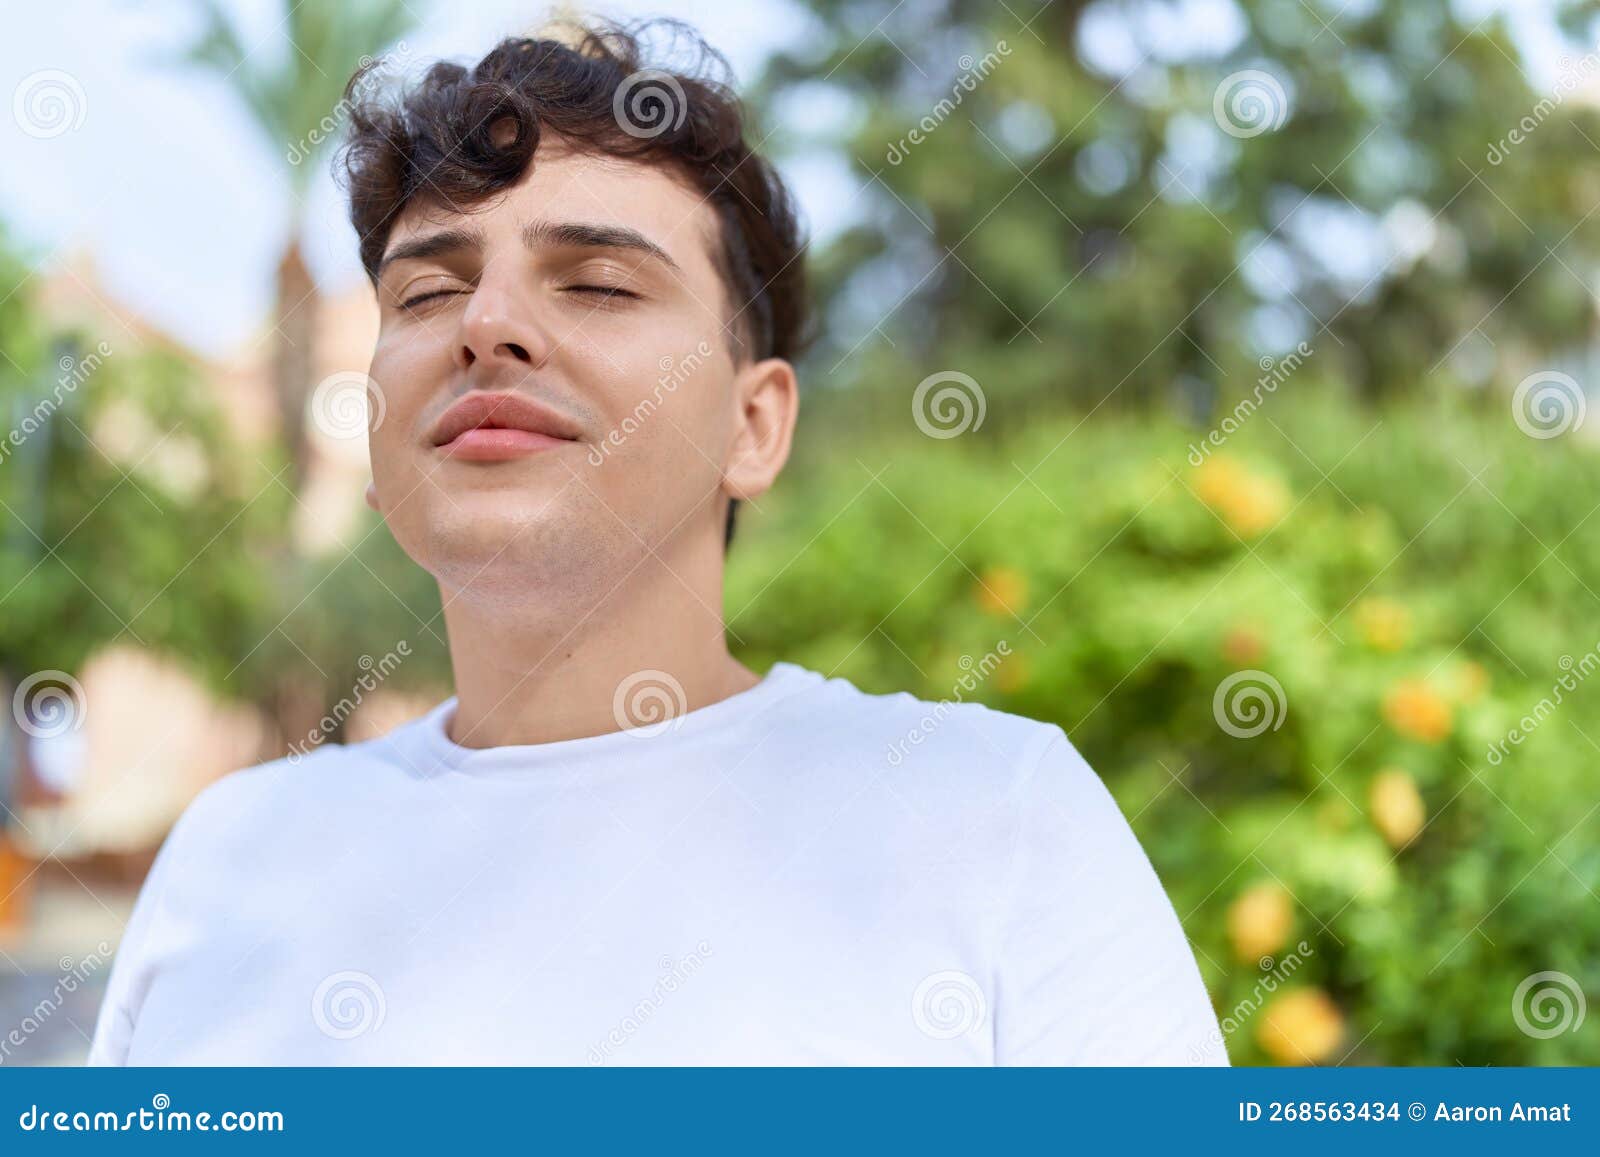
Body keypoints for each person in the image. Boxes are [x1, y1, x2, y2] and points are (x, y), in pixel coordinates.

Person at [88, 20, 1222, 1066]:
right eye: (427, 292)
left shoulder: (1001, 817)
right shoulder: (231, 854)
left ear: (754, 422)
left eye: (595, 283)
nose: (486, 326)